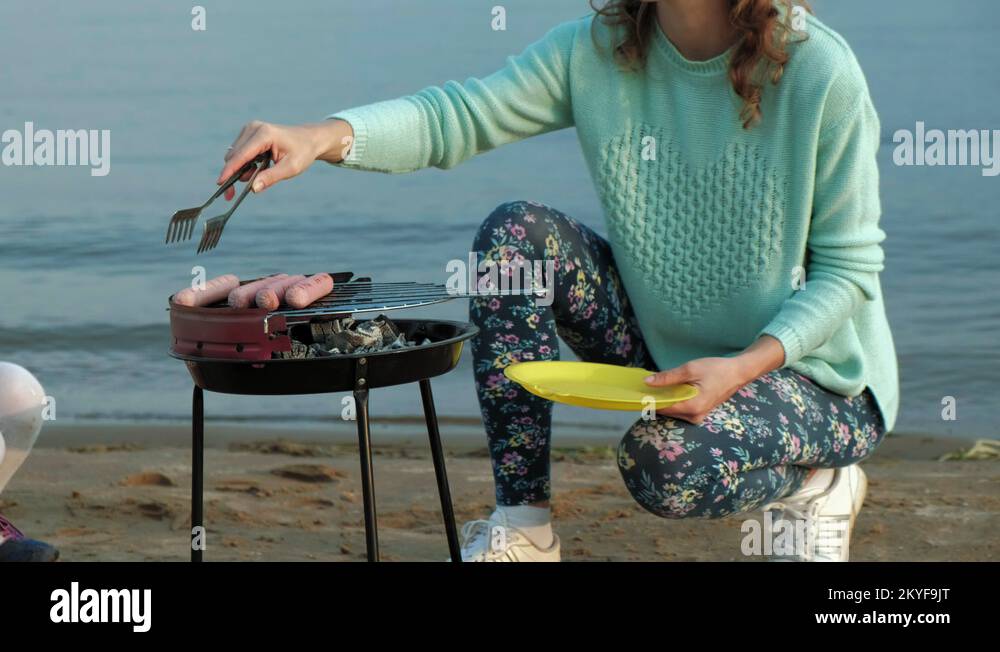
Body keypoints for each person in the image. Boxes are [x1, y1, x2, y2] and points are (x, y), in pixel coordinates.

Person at [219, 0, 897, 562]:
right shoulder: (598, 50)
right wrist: (320, 135)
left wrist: (744, 367)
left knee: (664, 467)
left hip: (816, 380)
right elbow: (458, 116)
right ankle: (524, 525)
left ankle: (818, 481)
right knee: (515, 236)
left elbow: (849, 271)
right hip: (667, 361)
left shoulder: (818, 70)